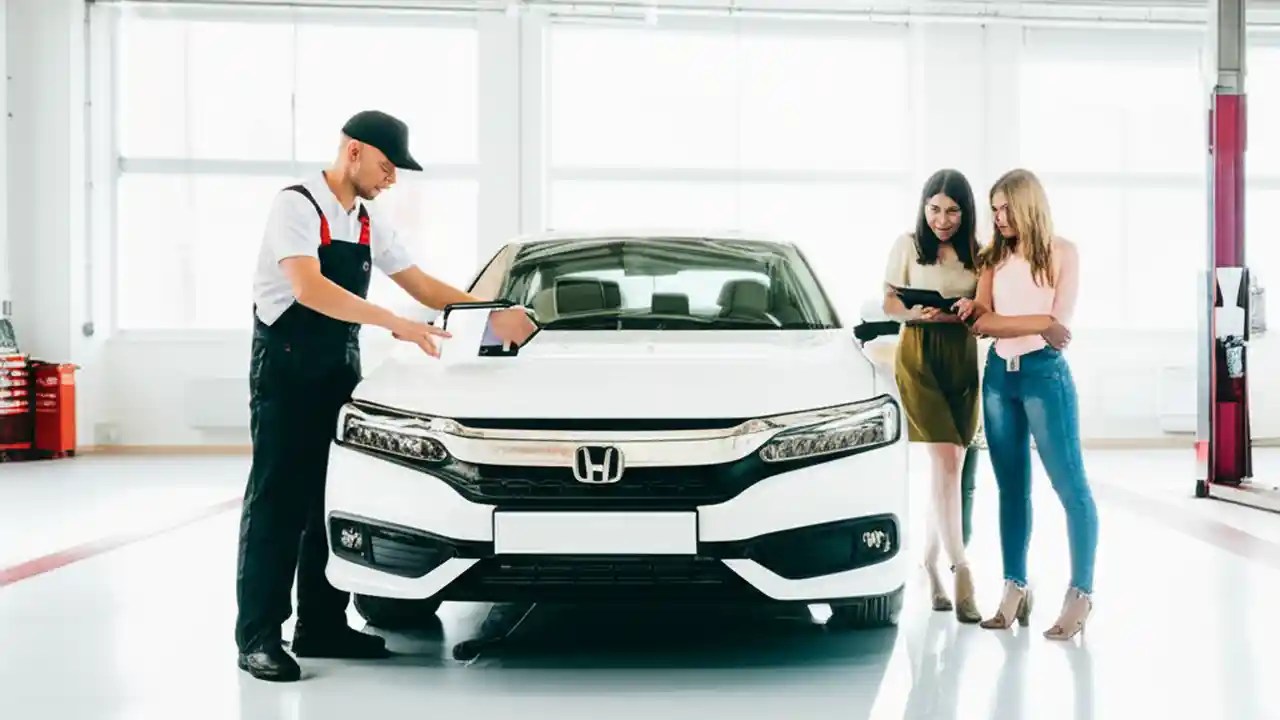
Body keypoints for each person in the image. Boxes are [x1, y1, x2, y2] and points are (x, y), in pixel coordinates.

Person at [235, 109, 536, 682]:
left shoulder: (366, 220)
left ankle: (320, 626)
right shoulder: (296, 205)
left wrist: (492, 315)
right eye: (386, 164)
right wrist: (395, 324)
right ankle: (257, 636)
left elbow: (421, 284)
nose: (392, 177)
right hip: (285, 369)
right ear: (353, 151)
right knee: (278, 502)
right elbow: (309, 286)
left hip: (338, 368)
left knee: (328, 500)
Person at [954, 168, 1097, 641]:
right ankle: (1015, 586)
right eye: (993, 209)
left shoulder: (1064, 253)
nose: (998, 218)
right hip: (999, 379)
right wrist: (1031, 321)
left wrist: (1006, 320)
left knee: (1070, 487)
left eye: (1005, 207)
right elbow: (982, 324)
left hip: (1044, 377)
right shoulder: (993, 258)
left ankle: (1080, 594)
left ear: (1028, 203)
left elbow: (1061, 326)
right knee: (1011, 490)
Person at [881, 169, 983, 623]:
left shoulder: (979, 255)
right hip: (919, 352)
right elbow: (888, 303)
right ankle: (961, 569)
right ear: (924, 207)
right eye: (935, 209)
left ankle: (929, 564)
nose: (943, 220)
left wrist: (970, 308)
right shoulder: (907, 244)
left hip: (961, 355)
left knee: (952, 465)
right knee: (944, 459)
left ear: (966, 212)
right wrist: (912, 309)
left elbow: (987, 308)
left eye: (953, 211)